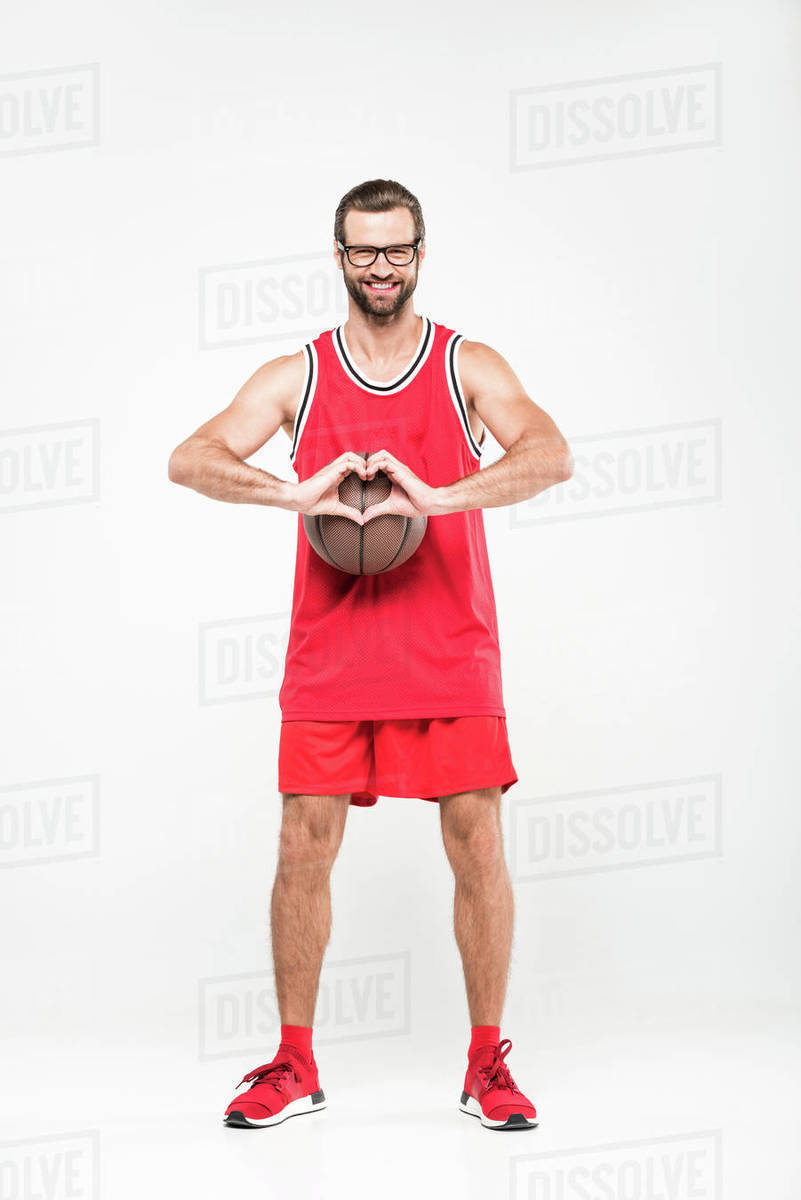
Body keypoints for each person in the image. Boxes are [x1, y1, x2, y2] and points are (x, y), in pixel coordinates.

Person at [168, 179, 573, 1131]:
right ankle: (293, 1062)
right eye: (363, 250)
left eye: (395, 250)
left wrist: (438, 495)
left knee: (476, 843)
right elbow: (189, 457)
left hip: (449, 647)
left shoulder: (465, 364)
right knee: (301, 847)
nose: (379, 267)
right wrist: (291, 492)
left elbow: (549, 454)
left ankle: (485, 1063)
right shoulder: (298, 374)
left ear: (419, 254)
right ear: (339, 256)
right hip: (331, 654)